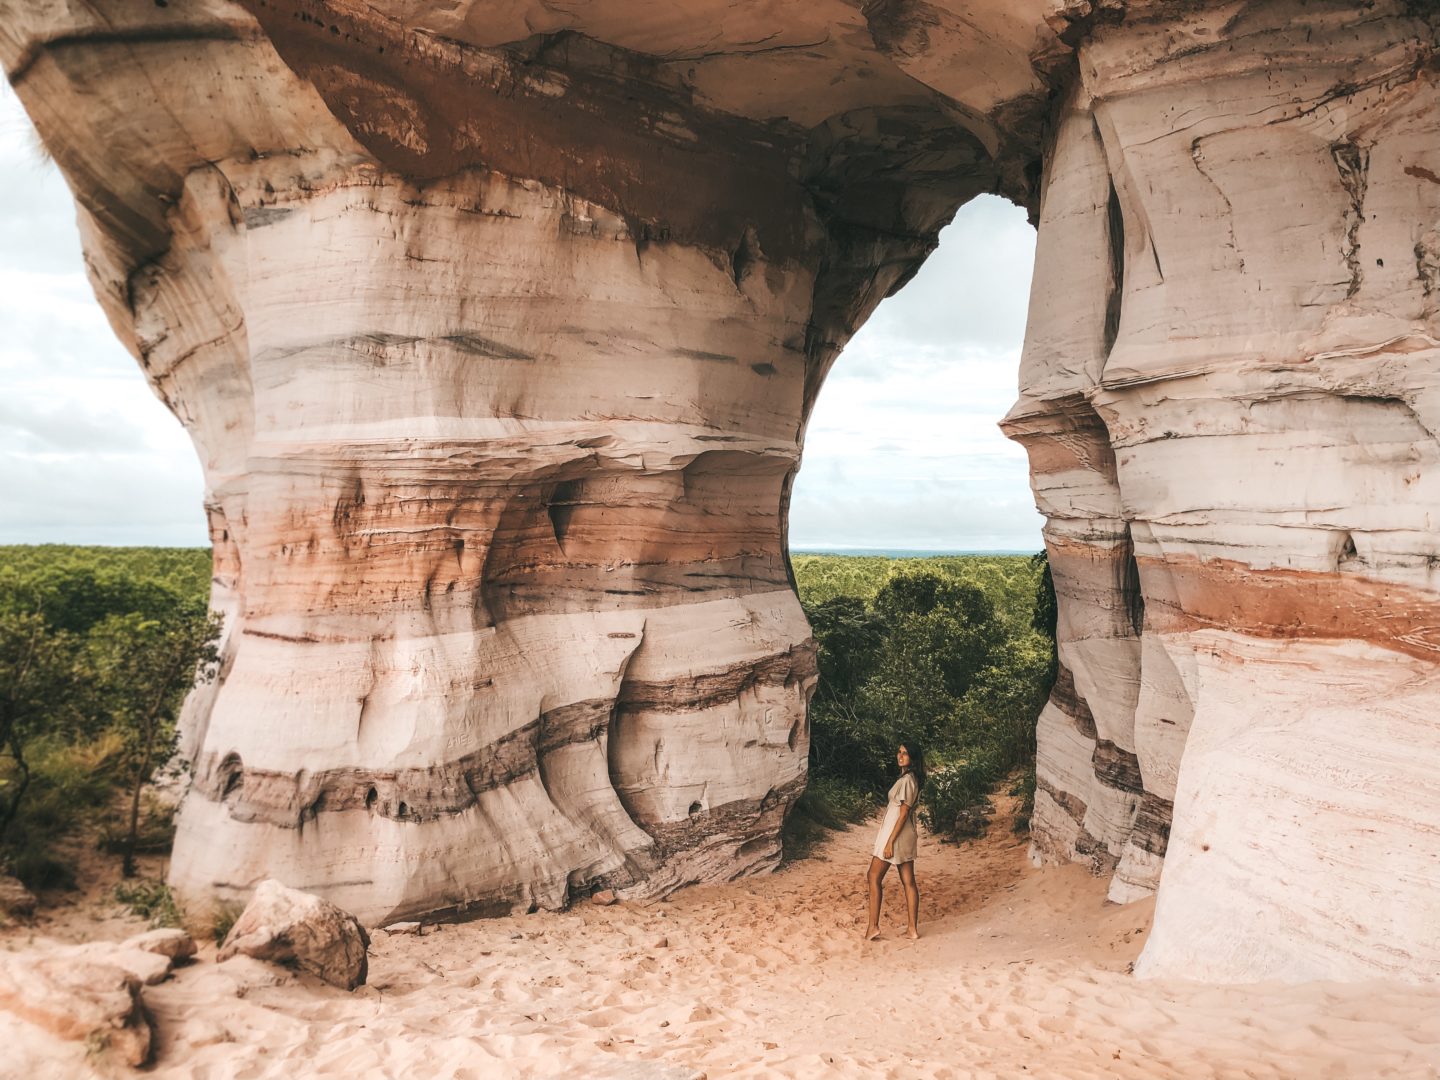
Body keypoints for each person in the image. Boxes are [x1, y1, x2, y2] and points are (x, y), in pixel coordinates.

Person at [863, 741, 926, 941]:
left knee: (873, 876)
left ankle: (873, 926)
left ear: (913, 758)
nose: (900, 756)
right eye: (899, 752)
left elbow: (903, 814)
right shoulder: (911, 778)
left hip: (896, 835)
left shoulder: (908, 780)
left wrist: (890, 842)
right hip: (904, 835)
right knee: (908, 881)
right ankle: (912, 929)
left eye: (905, 753)